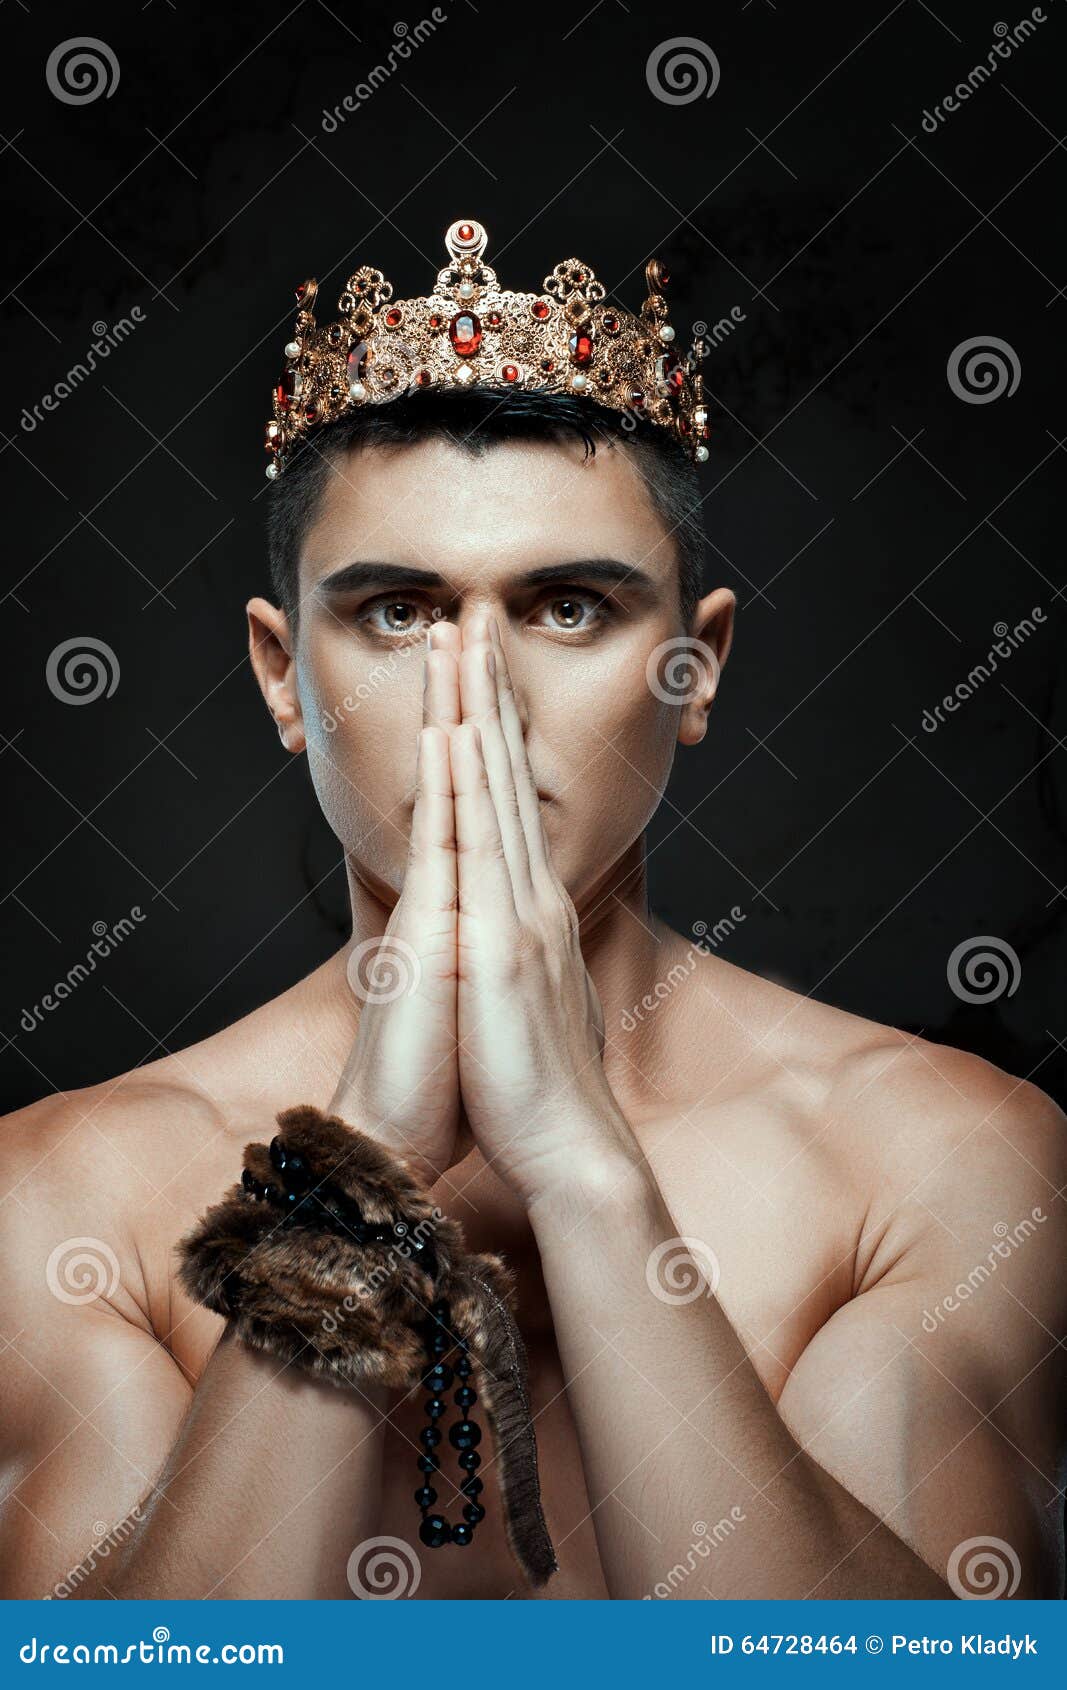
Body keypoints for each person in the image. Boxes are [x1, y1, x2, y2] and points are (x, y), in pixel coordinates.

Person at [1, 222, 1064, 1603]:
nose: (481, 693)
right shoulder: (61, 1201)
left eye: (569, 606)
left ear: (694, 666)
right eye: (396, 611)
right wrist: (360, 1167)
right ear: (281, 673)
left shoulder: (938, 1164)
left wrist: (578, 1163)